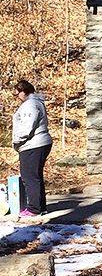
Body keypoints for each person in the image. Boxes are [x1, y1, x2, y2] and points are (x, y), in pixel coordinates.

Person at [12, 79, 53, 217]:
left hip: (33, 145)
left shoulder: (30, 105)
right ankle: (40, 206)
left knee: (29, 177)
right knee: (36, 176)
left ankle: (34, 209)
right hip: (38, 143)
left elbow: (26, 127)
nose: (17, 97)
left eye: (17, 94)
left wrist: (16, 141)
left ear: (23, 92)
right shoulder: (36, 103)